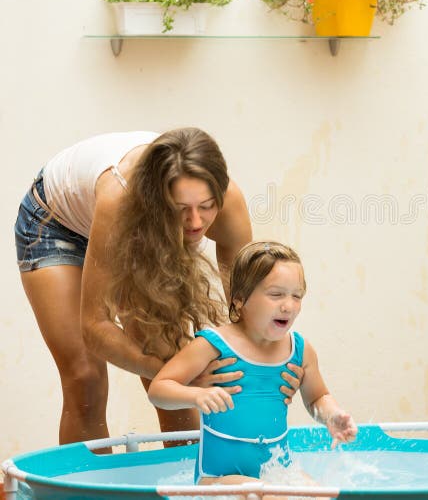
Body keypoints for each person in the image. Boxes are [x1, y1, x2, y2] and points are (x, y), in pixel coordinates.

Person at [14, 128, 303, 445]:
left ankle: (187, 487)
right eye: (180, 209)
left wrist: (272, 366)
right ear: (157, 198)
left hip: (138, 232)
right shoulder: (120, 198)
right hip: (57, 224)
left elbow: (249, 312)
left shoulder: (228, 202)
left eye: (206, 206)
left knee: (169, 350)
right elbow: (95, 326)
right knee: (86, 377)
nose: (195, 222)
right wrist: (183, 376)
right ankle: (85, 491)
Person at [148, 241, 357, 491]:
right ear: (239, 300)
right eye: (276, 294)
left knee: (322, 495)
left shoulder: (300, 350)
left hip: (279, 471)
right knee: (264, 494)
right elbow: (159, 389)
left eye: (296, 296)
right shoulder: (214, 345)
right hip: (218, 478)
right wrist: (196, 395)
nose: (288, 305)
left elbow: (317, 398)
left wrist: (331, 415)